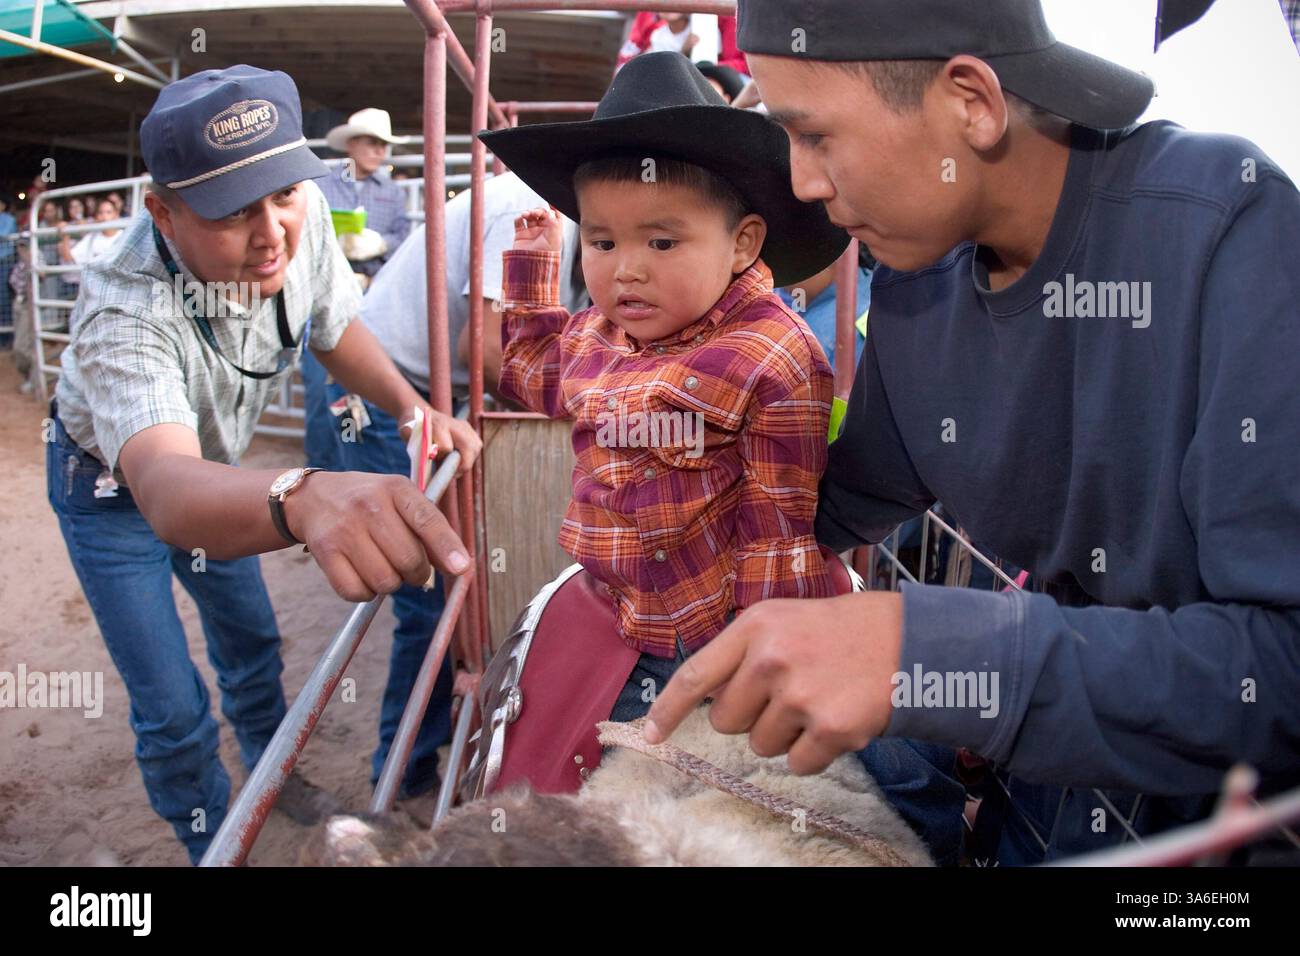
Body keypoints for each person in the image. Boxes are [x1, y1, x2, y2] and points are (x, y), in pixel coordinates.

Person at [645, 0, 1300, 866]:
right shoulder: (921, 292)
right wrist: (661, 502)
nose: (803, 181)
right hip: (1037, 802)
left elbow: (1283, 669)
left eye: (815, 135)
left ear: (971, 103)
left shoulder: (1230, 232)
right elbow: (833, 501)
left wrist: (929, 650)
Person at [47, 65, 479, 864]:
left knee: (251, 638)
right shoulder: (124, 308)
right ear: (163, 213)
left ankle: (272, 777)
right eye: (231, 209)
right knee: (173, 707)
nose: (272, 229)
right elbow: (169, 491)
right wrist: (303, 492)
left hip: (232, 477)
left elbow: (331, 327)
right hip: (115, 491)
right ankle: (213, 840)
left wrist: (412, 409)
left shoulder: (301, 220)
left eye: (283, 192)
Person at [478, 52, 848, 780]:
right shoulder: (593, 333)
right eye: (602, 241)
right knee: (550, 765)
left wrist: (753, 662)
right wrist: (529, 275)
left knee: (704, 781)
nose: (627, 269)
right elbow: (534, 379)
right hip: (611, 606)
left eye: (663, 241)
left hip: (707, 626)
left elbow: (779, 527)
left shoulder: (772, 353)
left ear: (742, 243)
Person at [57, 196, 125, 285]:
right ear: (96, 217)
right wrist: (65, 235)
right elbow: (68, 258)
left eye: (108, 212)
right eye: (100, 213)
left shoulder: (125, 236)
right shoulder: (92, 238)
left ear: (116, 215)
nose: (104, 217)